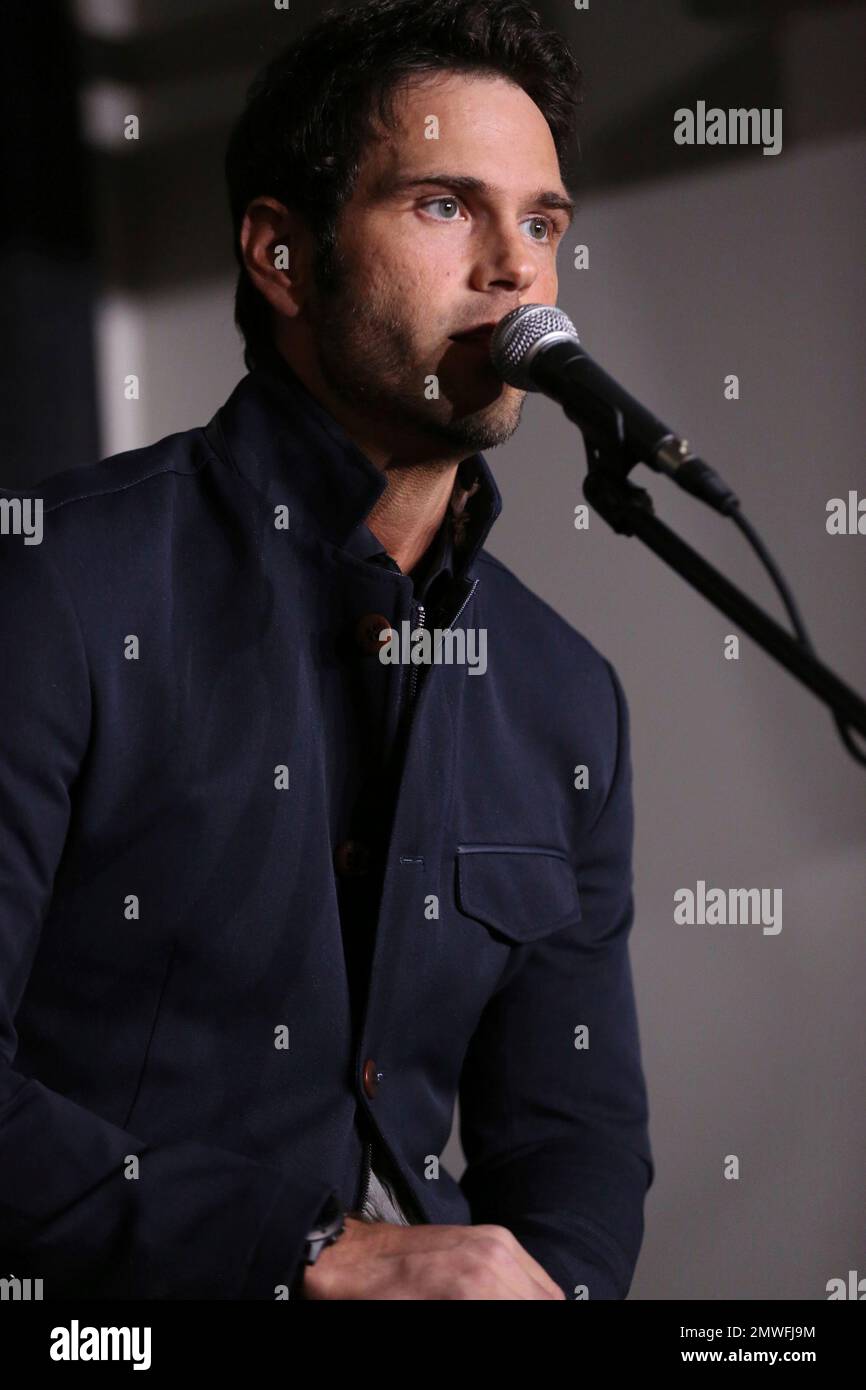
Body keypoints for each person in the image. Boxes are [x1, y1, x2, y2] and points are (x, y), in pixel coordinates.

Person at [0, 0, 653, 1300]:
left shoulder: (564, 694)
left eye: (540, 221)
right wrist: (308, 1256)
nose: (513, 268)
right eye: (441, 206)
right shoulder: (57, 583)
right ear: (283, 255)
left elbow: (576, 1140)